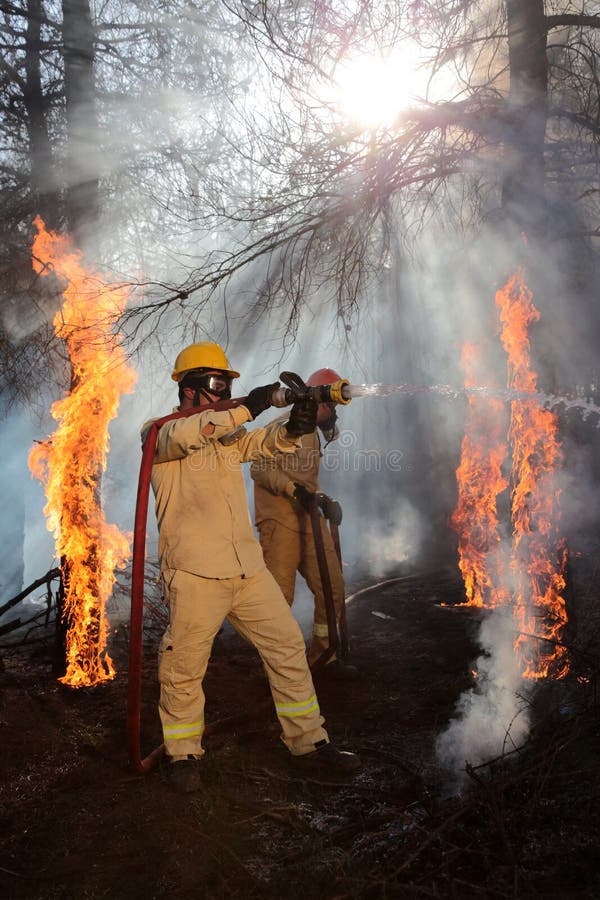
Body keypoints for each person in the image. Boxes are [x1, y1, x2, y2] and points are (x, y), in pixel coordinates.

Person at [142, 343, 360, 793]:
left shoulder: (224, 435)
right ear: (191, 386)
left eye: (230, 384)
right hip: (195, 572)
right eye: (219, 383)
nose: (226, 390)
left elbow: (262, 444)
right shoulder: (159, 434)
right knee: (184, 666)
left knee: (286, 648)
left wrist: (294, 426)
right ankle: (183, 754)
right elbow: (190, 435)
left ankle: (308, 742)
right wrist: (253, 404)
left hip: (245, 567)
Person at [250, 368, 358, 680]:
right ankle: (279, 673)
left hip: (308, 519)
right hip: (279, 523)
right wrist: (292, 490)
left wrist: (324, 500)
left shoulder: (312, 433)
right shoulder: (286, 426)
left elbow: (304, 480)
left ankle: (324, 656)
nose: (334, 412)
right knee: (279, 601)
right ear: (320, 399)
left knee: (332, 588)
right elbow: (259, 468)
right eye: (332, 404)